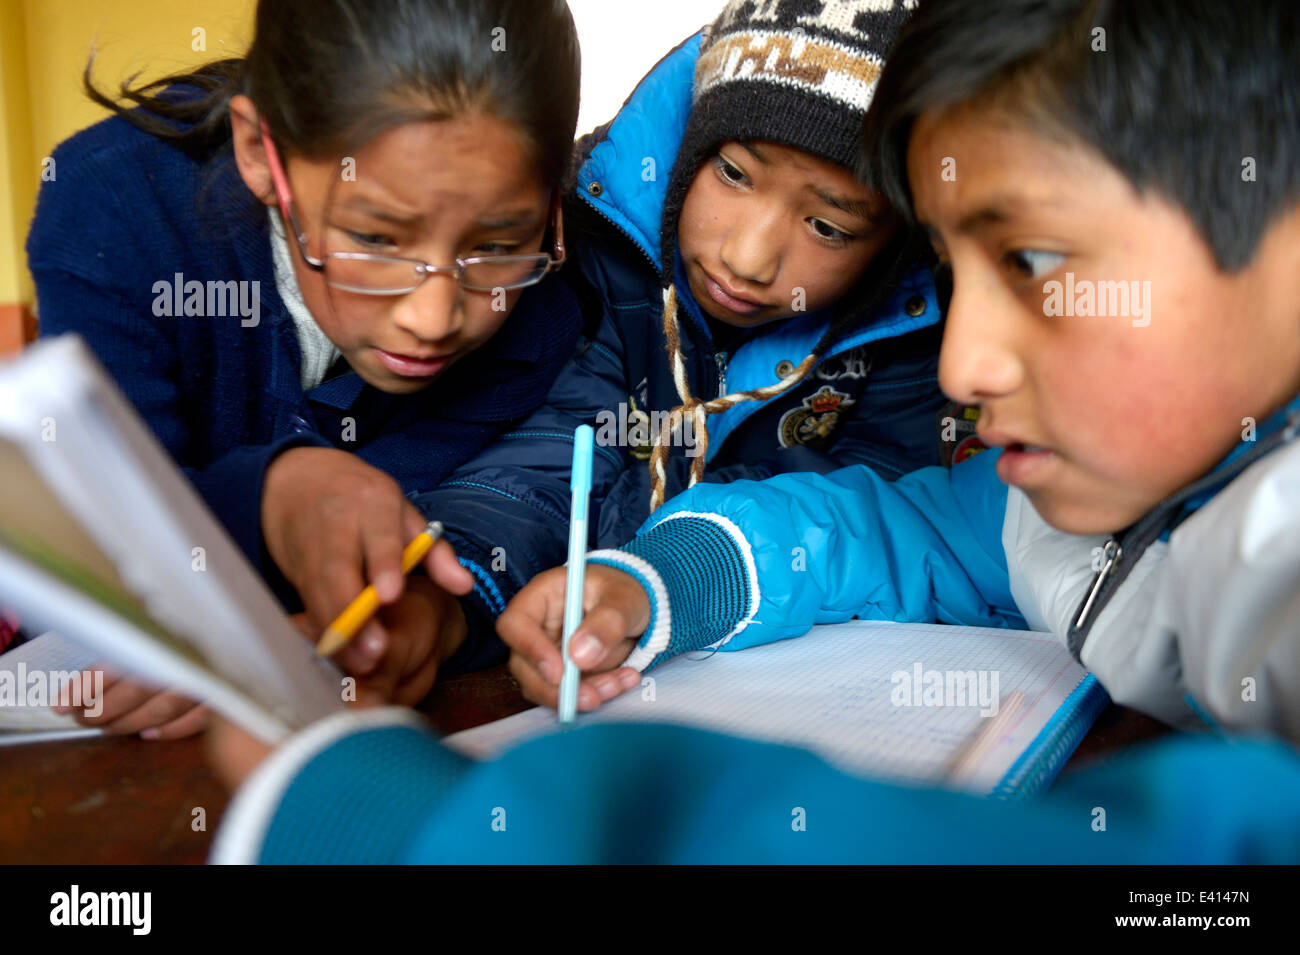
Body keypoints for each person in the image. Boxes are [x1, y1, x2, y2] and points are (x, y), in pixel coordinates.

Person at [203, 0, 1300, 864]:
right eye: (958, 275)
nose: (966, 359)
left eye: (1035, 265)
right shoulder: (1065, 507)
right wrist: (655, 582)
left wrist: (392, 827)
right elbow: (884, 526)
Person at [26, 0, 583, 737]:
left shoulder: (544, 306)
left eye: (497, 242)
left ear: (552, 205)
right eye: (377, 237)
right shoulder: (114, 208)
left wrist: (426, 607)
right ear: (262, 153)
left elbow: (499, 508)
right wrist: (271, 494)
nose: (435, 315)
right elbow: (104, 519)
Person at [408, 0, 953, 674]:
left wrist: (674, 563)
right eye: (732, 173)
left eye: (828, 227)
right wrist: (452, 587)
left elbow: (890, 500)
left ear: (897, 246)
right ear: (691, 144)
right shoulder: (591, 260)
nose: (748, 259)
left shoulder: (911, 327)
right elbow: (534, 466)